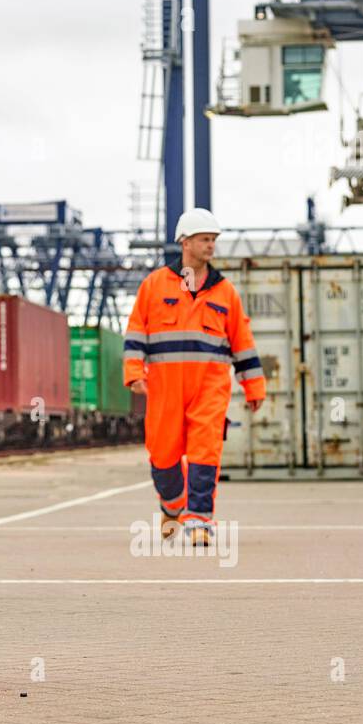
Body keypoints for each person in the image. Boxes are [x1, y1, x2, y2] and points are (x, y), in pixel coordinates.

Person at [123, 209, 265, 546]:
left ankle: (200, 519)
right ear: (184, 242)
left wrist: (253, 385)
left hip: (209, 387)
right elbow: (135, 332)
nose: (211, 246)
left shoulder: (224, 292)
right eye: (205, 239)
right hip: (164, 387)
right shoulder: (154, 286)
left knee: (205, 452)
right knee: (162, 456)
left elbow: (242, 341)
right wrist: (133, 373)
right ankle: (173, 507)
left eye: (214, 240)